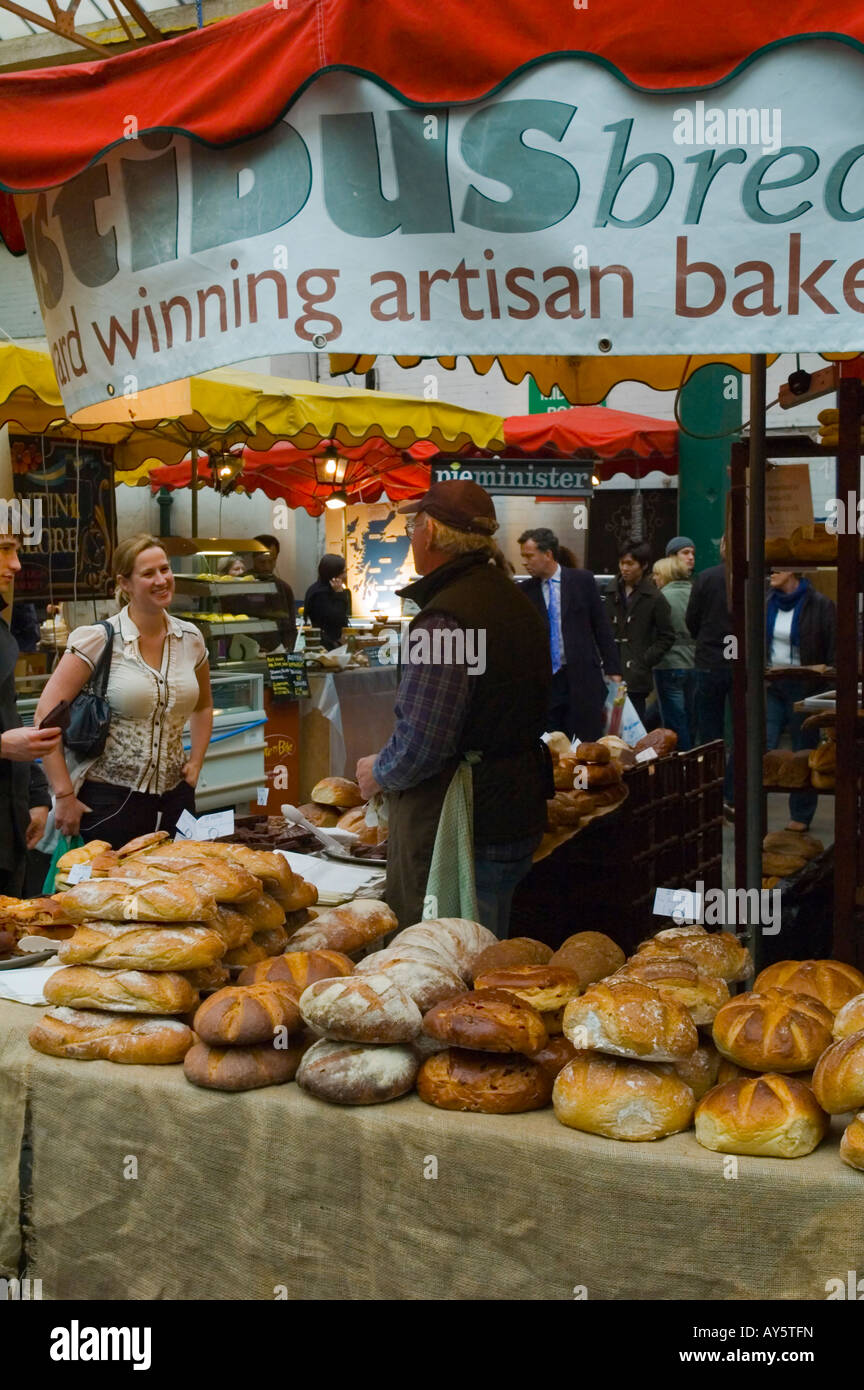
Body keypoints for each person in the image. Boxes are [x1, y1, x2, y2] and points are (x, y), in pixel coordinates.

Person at [355, 480, 552, 937]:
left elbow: (424, 741)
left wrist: (378, 771)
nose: (409, 536)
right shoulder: (511, 598)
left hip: (468, 823)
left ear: (431, 534)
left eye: (412, 525)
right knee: (490, 945)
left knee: (455, 962)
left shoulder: (447, 617)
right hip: (515, 803)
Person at [34, 534, 214, 850]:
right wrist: (63, 794)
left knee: (180, 890)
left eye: (165, 569)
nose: (162, 580)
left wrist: (196, 760)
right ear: (125, 583)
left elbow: (202, 706)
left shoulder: (191, 638)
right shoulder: (97, 640)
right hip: (109, 802)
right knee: (111, 895)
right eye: (148, 574)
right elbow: (45, 717)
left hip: (177, 799)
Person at [519, 527, 621, 741]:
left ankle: (581, 776)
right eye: (523, 557)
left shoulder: (582, 581)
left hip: (582, 675)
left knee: (584, 740)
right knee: (549, 740)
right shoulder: (525, 591)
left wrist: (613, 667)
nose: (525, 562)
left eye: (529, 556)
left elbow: (600, 626)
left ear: (547, 554)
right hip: (546, 680)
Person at [0, 531, 55, 894]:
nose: (17, 565)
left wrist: (36, 797)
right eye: (4, 550)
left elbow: (8, 714)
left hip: (8, 828)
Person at [765, 568, 836, 833]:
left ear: (793, 573)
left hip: (806, 685)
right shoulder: (766, 601)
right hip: (772, 682)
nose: (771, 574)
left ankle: (801, 814)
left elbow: (833, 648)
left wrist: (828, 684)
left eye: (777, 570)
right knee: (763, 742)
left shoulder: (820, 604)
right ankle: (753, 808)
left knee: (804, 749)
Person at [686, 536, 735, 811]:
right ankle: (733, 793)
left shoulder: (705, 578)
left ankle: (712, 790)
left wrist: (704, 637)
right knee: (742, 732)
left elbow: (692, 619)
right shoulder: (753, 578)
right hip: (740, 662)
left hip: (709, 660)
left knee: (710, 733)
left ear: (722, 549)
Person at [602, 539, 675, 723]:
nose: (624, 568)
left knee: (633, 729)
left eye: (630, 564)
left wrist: (645, 659)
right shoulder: (610, 592)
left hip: (636, 677)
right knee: (607, 730)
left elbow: (667, 636)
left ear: (643, 566)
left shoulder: (654, 597)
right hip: (608, 673)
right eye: (621, 563)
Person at [651, 554, 697, 751]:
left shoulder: (661, 598)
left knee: (675, 722)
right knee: (691, 717)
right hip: (695, 664)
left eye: (656, 574)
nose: (654, 579)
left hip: (669, 665)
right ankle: (695, 759)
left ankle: (683, 765)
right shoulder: (696, 592)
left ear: (665, 574)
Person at [222, 533, 296, 653]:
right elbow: (227, 622)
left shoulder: (284, 588)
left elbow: (290, 628)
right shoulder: (238, 585)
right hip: (243, 651)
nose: (267, 566)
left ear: (276, 558)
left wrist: (287, 650)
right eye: (262, 562)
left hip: (277, 653)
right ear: (253, 558)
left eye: (271, 561)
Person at [304, 554, 352, 650]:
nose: (345, 575)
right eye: (343, 572)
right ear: (334, 575)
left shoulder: (316, 589)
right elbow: (337, 619)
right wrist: (339, 594)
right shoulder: (320, 594)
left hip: (326, 644)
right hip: (327, 647)